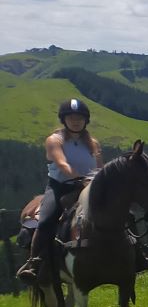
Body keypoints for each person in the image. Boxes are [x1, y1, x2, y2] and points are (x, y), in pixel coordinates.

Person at [15, 98, 103, 284]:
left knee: (121, 212)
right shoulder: (54, 140)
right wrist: (82, 179)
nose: (75, 121)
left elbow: (99, 168)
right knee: (46, 220)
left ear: (86, 120)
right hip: (60, 188)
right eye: (71, 118)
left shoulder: (92, 143)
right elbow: (63, 164)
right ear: (64, 120)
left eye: (79, 118)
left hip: (90, 188)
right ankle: (34, 263)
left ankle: (138, 252)